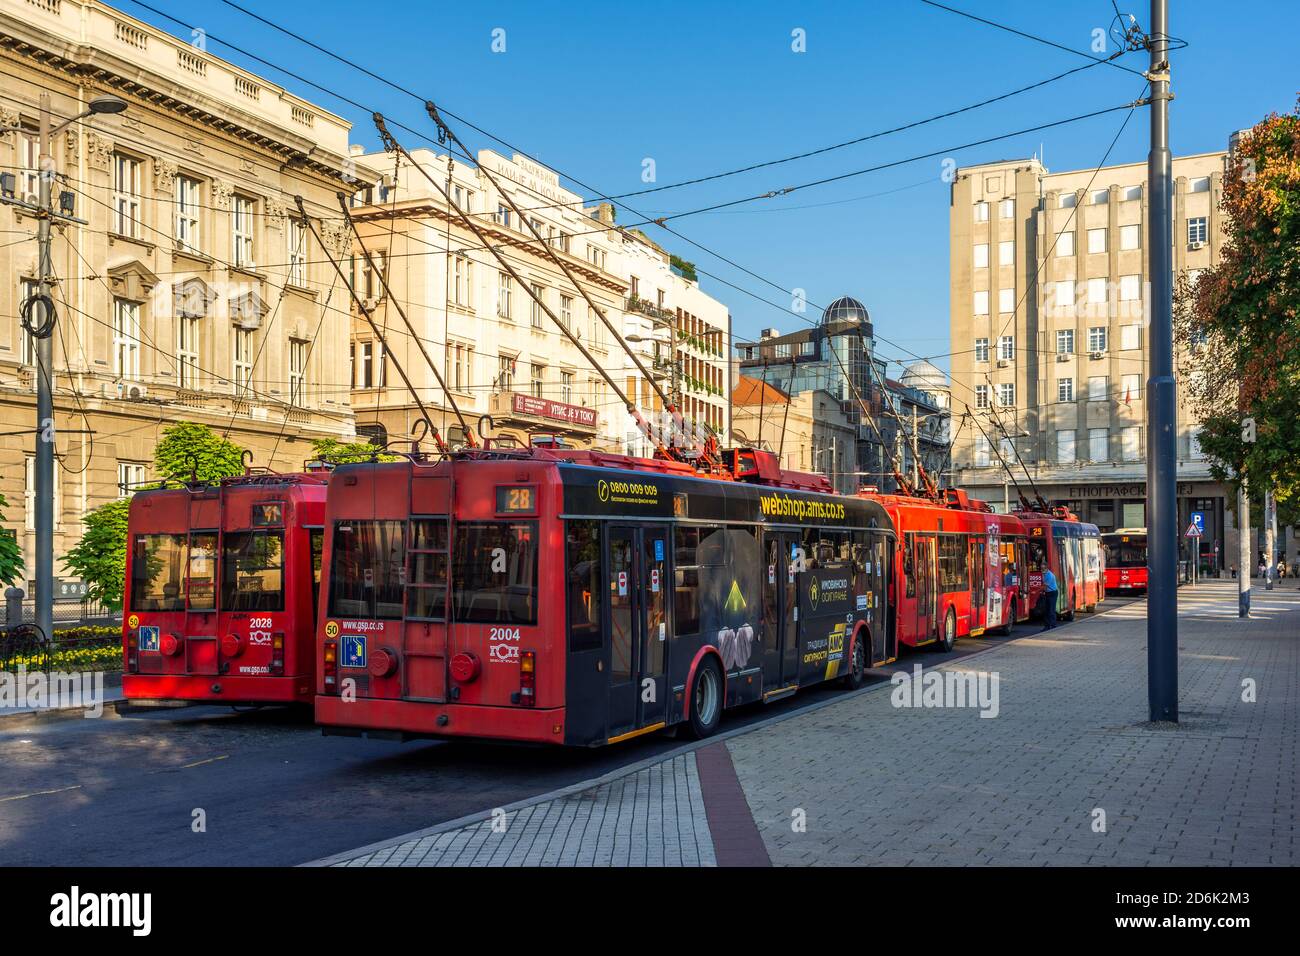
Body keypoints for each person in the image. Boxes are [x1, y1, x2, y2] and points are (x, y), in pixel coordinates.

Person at [1040, 567, 1059, 631]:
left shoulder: (1050, 575)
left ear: (1046, 569)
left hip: (1053, 593)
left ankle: (1053, 625)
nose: (1042, 570)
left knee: (1051, 610)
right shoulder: (1044, 574)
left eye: (1043, 569)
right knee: (1046, 610)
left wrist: (1037, 591)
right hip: (1048, 593)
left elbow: (1045, 587)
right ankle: (1047, 626)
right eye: (1041, 569)